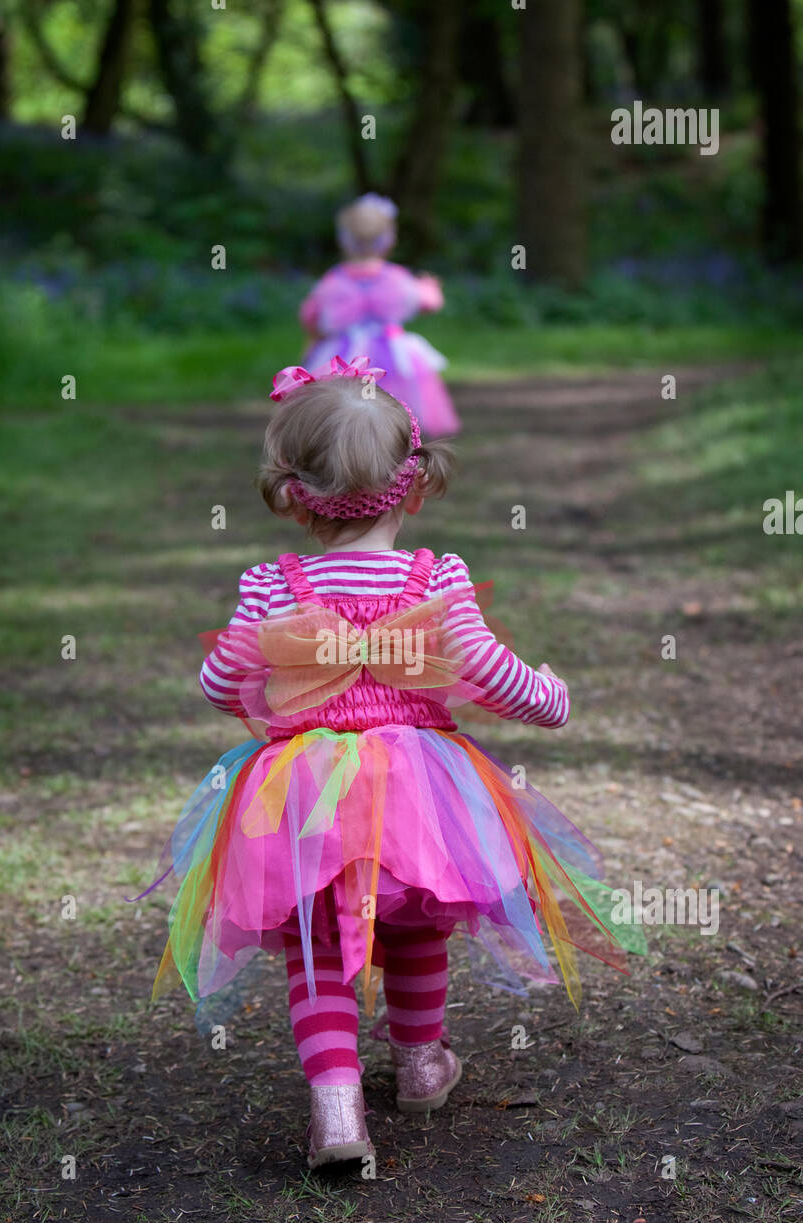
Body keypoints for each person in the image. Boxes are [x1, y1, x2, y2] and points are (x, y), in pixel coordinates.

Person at [146, 356, 645, 1170]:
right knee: (417, 925)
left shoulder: (274, 584)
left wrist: (274, 671)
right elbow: (491, 674)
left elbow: (218, 681)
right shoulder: (436, 578)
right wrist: (551, 697)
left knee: (315, 942)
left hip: (303, 792)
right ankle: (421, 1062)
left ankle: (337, 1113)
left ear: (293, 495)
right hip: (421, 787)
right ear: (415, 487)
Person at [299, 193, 460, 438]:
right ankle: (394, 440)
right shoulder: (397, 277)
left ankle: (350, 440)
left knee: (343, 405)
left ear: (343, 239)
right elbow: (428, 302)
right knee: (395, 402)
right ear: (388, 240)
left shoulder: (334, 280)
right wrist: (431, 286)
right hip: (393, 351)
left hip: (343, 353)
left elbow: (311, 314)